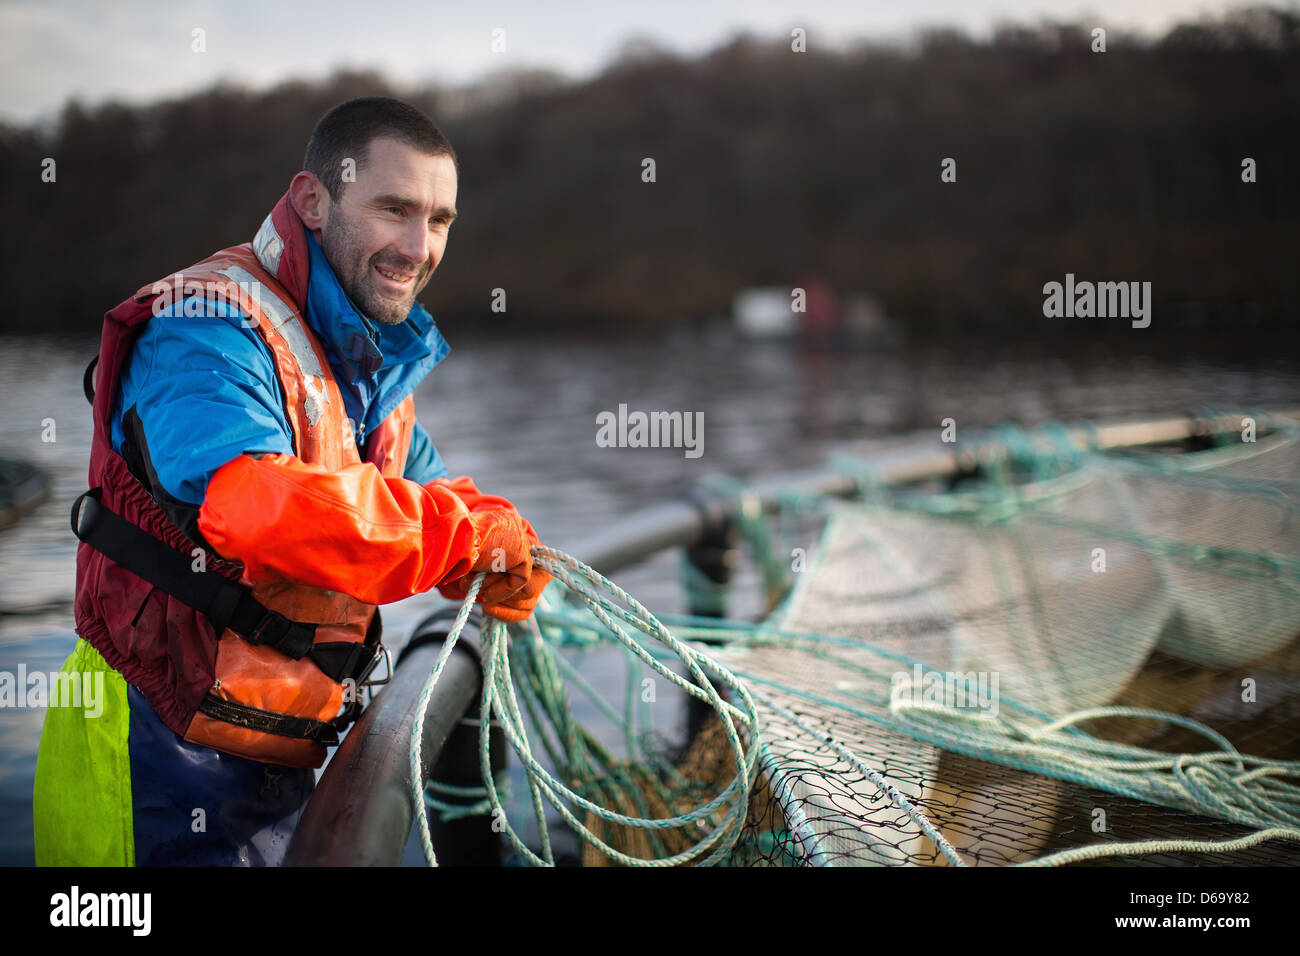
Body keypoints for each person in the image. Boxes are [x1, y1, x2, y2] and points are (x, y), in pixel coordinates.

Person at [33, 96, 549, 866]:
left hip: (278, 760)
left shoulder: (369, 371)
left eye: (440, 219)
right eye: (394, 209)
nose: (419, 246)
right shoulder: (202, 323)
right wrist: (462, 540)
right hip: (149, 754)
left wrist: (513, 545)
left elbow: (439, 496)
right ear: (312, 199)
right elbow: (257, 508)